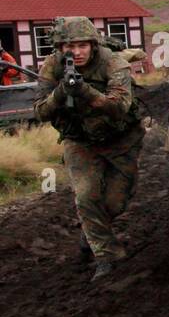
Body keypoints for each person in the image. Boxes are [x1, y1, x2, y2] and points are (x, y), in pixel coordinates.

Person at [31, 16, 145, 280]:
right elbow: (39, 112)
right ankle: (106, 255)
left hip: (121, 141)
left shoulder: (112, 62)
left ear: (93, 45)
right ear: (59, 49)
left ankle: (91, 231)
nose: (77, 52)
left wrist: (85, 92)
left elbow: (119, 107)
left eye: (83, 45)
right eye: (69, 46)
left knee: (116, 201)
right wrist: (60, 92)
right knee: (86, 197)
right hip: (80, 141)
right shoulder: (51, 67)